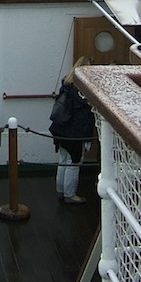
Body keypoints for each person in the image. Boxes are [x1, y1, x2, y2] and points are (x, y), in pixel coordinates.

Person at [49, 55, 95, 205]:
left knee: (63, 160)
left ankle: (61, 190)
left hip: (61, 129)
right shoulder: (82, 92)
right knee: (73, 163)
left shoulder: (67, 85)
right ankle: (70, 194)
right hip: (75, 132)